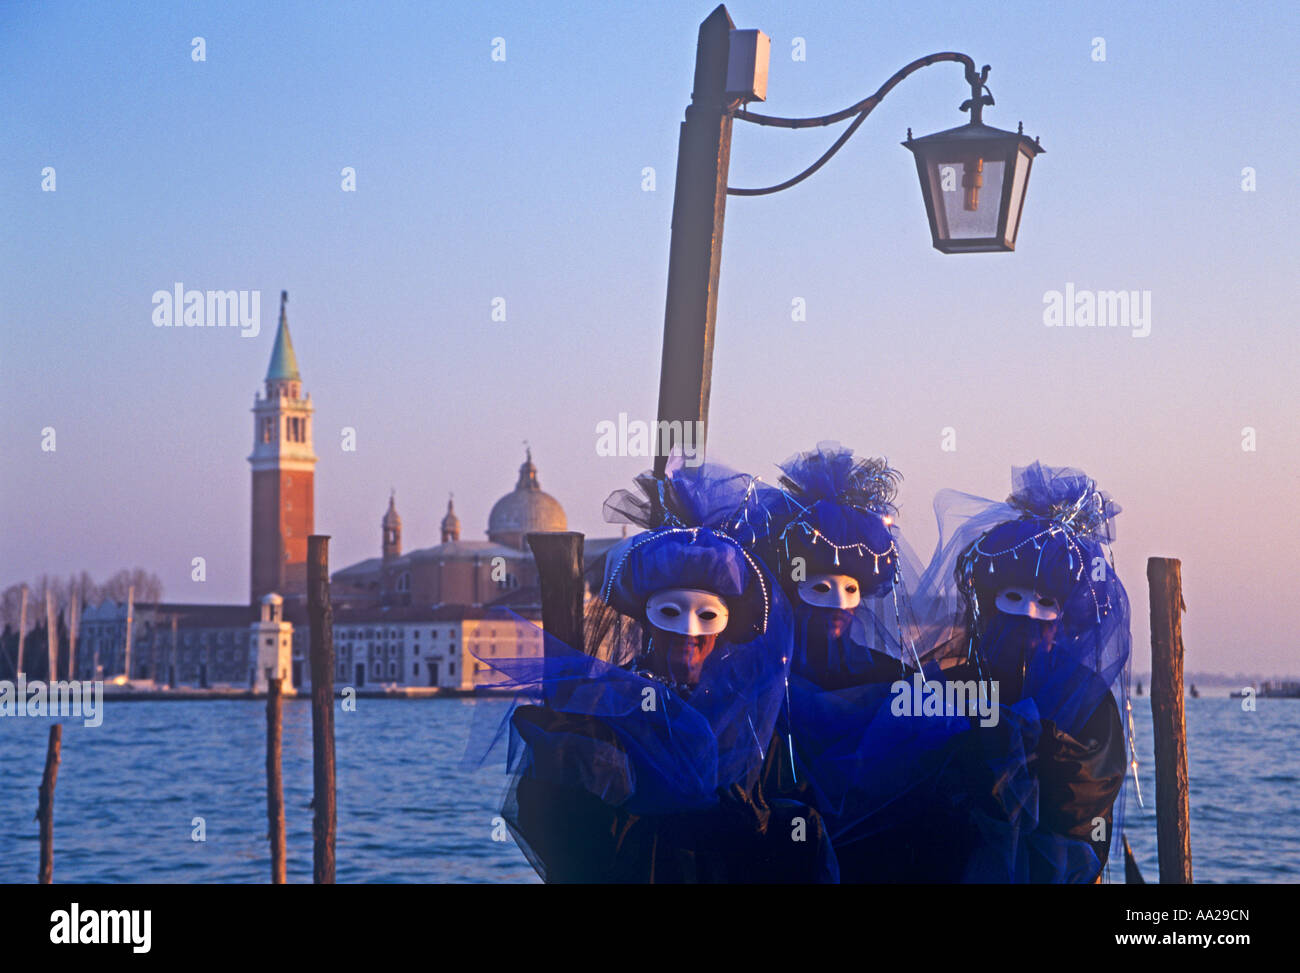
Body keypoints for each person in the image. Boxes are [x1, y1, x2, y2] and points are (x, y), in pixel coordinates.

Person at [469, 459, 838, 883]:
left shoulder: (750, 718)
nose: (688, 632)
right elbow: (559, 830)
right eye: (670, 612)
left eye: (706, 615)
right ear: (647, 621)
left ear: (727, 624)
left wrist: (760, 824)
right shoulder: (604, 707)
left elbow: (793, 812)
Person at [750, 443, 972, 881]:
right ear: (795, 592)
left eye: (849, 590)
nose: (837, 605)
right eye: (820, 589)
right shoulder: (768, 677)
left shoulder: (888, 677)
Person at [915, 462, 1135, 883]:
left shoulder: (1085, 695)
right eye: (1013, 598)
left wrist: (1047, 752)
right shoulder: (954, 684)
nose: (1029, 617)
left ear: (1065, 614)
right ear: (990, 600)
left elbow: (1089, 791)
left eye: (1045, 603)